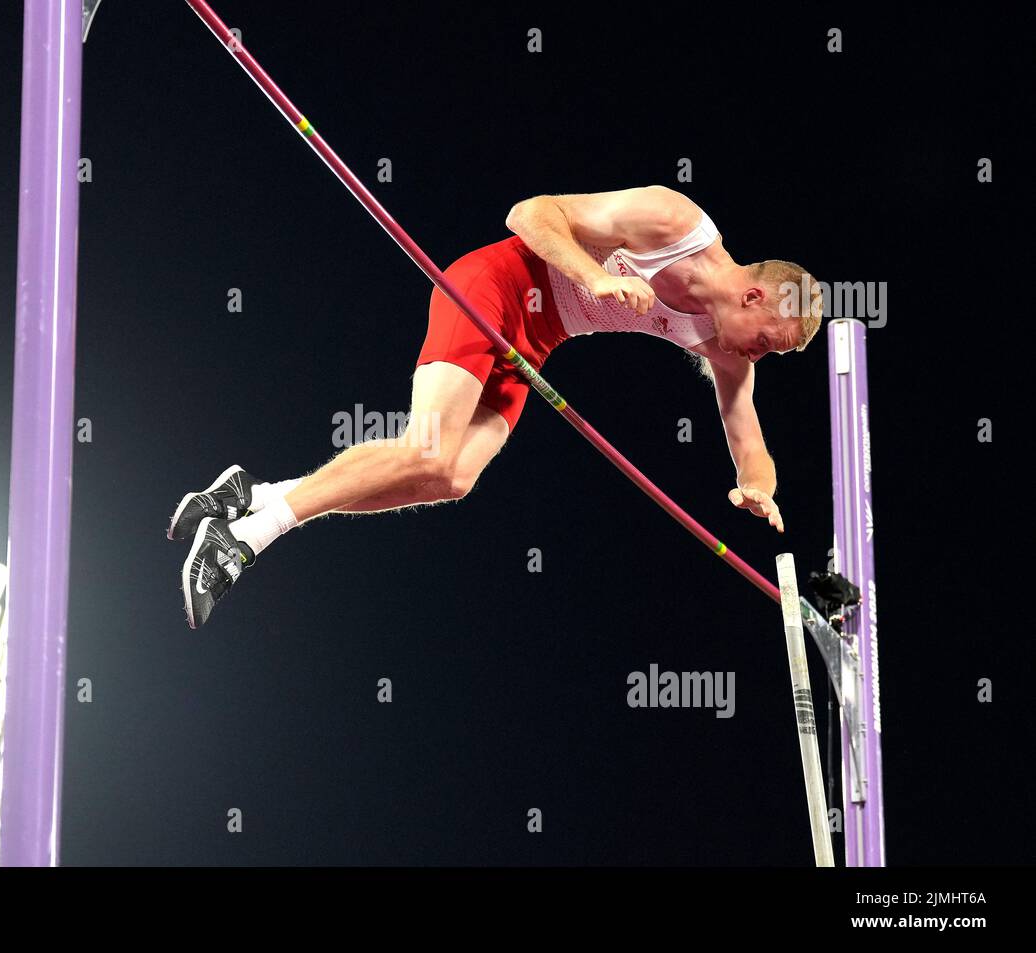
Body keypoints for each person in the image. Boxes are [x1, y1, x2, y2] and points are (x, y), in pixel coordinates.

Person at [168, 185, 823, 628]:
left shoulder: (727, 348)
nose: (761, 357)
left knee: (450, 477)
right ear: (757, 299)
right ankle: (249, 533)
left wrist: (758, 488)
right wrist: (595, 275)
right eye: (769, 343)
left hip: (536, 339)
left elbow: (747, 438)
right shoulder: (673, 222)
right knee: (428, 444)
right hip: (501, 282)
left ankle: (254, 493)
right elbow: (528, 213)